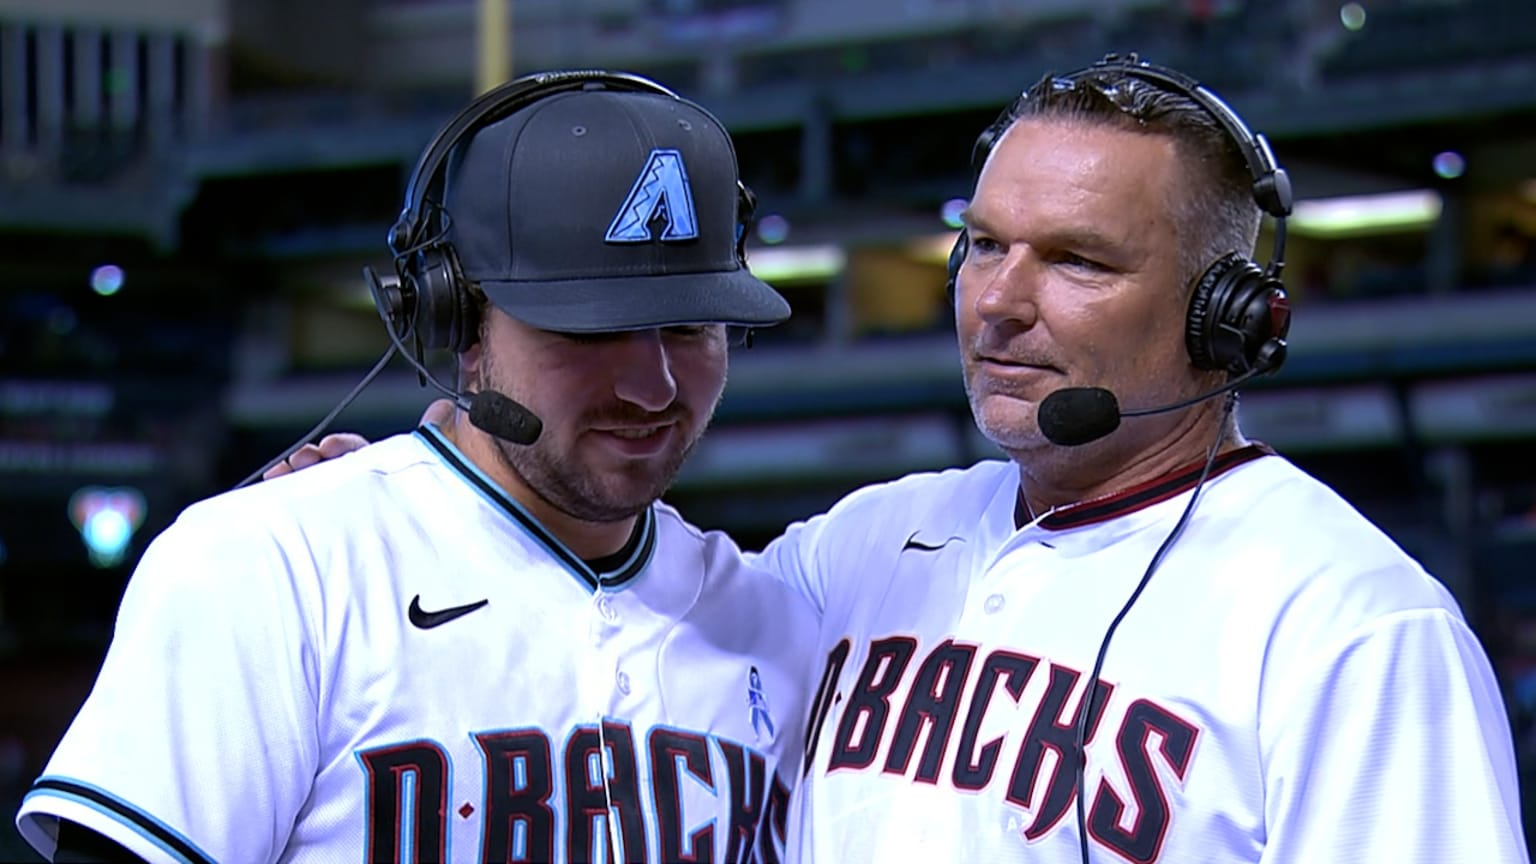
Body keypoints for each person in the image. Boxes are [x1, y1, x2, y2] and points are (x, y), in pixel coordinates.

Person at [256, 55, 1533, 863]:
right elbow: (606, 603)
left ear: (1230, 316)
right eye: (982, 245)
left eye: (1078, 260)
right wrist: (394, 513)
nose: (996, 302)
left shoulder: (1356, 629)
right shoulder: (868, 544)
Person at [16, 70, 820, 864]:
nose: (654, 385)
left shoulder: (775, 621)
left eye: (688, 329)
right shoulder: (275, 569)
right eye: (590, 331)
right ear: (452, 317)